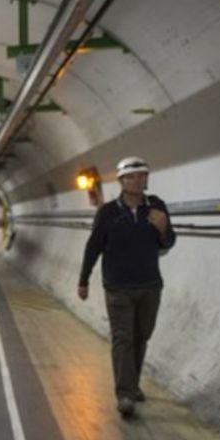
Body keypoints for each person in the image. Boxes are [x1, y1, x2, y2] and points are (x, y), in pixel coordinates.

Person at [77, 157, 176, 417]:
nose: (138, 181)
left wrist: (163, 228)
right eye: (132, 177)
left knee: (141, 336)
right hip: (118, 287)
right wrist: (83, 279)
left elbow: (168, 243)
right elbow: (94, 247)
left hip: (150, 285)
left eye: (142, 175)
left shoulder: (156, 207)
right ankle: (124, 394)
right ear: (121, 181)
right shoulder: (108, 212)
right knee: (123, 339)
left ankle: (132, 385)